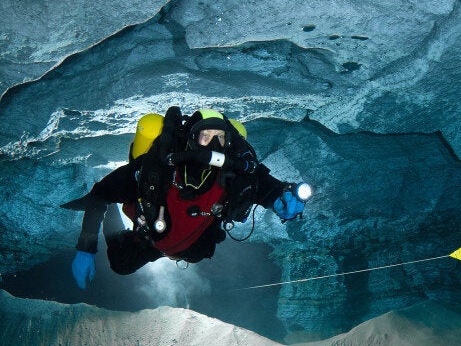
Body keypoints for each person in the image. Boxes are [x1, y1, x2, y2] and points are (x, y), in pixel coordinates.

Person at [63, 106, 309, 289]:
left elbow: (267, 188)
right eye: (205, 137)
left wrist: (281, 200)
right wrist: (86, 248)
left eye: (220, 138)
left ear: (228, 144)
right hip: (150, 238)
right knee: (121, 264)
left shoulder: (236, 175)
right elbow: (101, 193)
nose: (213, 145)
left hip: (189, 245)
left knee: (199, 252)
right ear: (191, 140)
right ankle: (113, 216)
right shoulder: (156, 170)